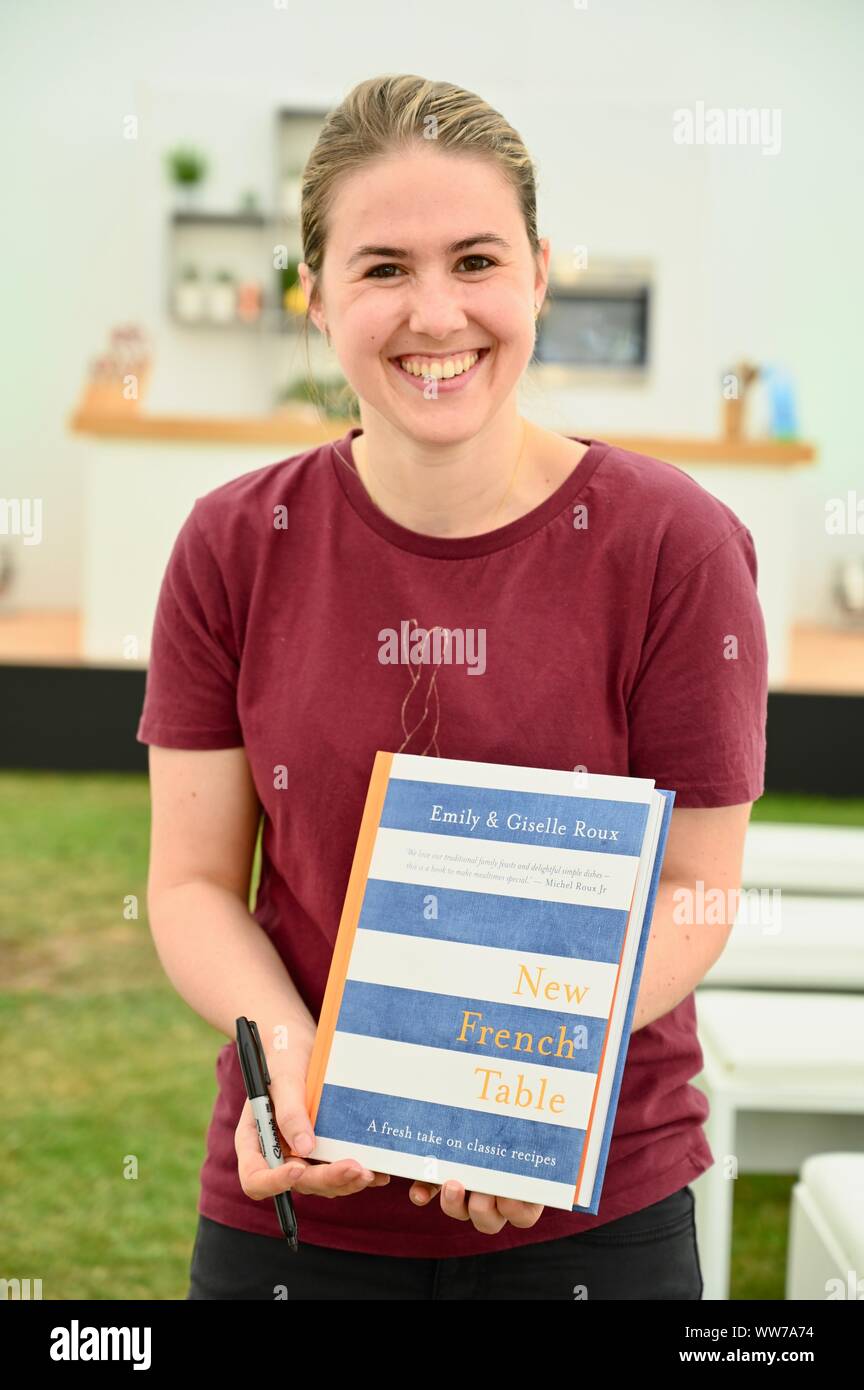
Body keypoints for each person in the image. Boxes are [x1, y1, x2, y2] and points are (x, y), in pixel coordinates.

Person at [137, 73, 768, 1301]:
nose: (436, 313)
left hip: (594, 1199)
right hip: (303, 1196)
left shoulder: (673, 546)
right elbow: (194, 882)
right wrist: (292, 1053)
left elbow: (698, 886)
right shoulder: (231, 544)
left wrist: (534, 1071)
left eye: (475, 259)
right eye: (382, 269)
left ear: (537, 273)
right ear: (315, 297)